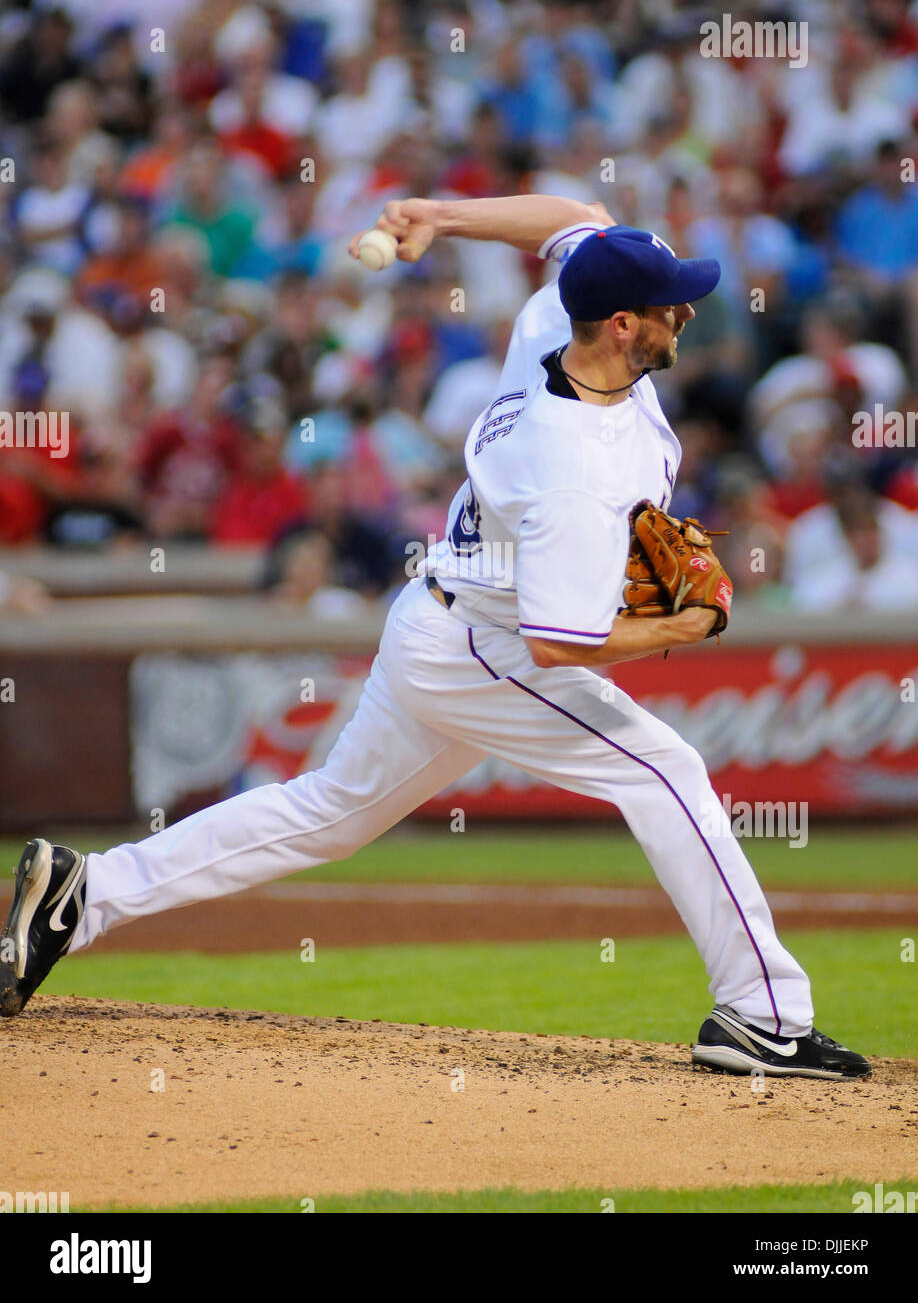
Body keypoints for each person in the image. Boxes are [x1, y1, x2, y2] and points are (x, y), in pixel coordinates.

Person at [0, 194, 870, 1082]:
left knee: (329, 814)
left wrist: (442, 217)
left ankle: (89, 891)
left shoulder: (551, 321)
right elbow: (560, 644)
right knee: (664, 772)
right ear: (619, 325)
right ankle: (764, 1016)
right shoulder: (575, 467)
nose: (687, 310)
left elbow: (577, 217)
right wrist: (687, 622)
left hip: (440, 620)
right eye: (669, 304)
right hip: (487, 644)